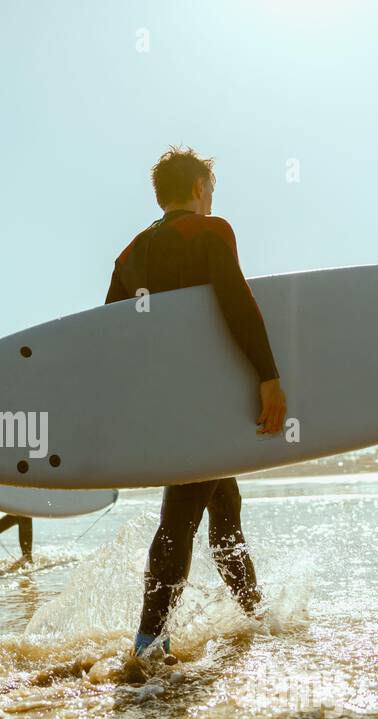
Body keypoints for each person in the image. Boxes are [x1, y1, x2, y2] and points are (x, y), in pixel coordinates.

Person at [104, 146, 288, 662]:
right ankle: (147, 644)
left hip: (165, 402)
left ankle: (253, 617)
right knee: (182, 514)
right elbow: (236, 300)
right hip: (206, 399)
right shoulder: (209, 231)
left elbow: (111, 334)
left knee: (224, 507)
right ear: (200, 188)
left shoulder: (131, 253)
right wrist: (268, 376)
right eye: (211, 188)